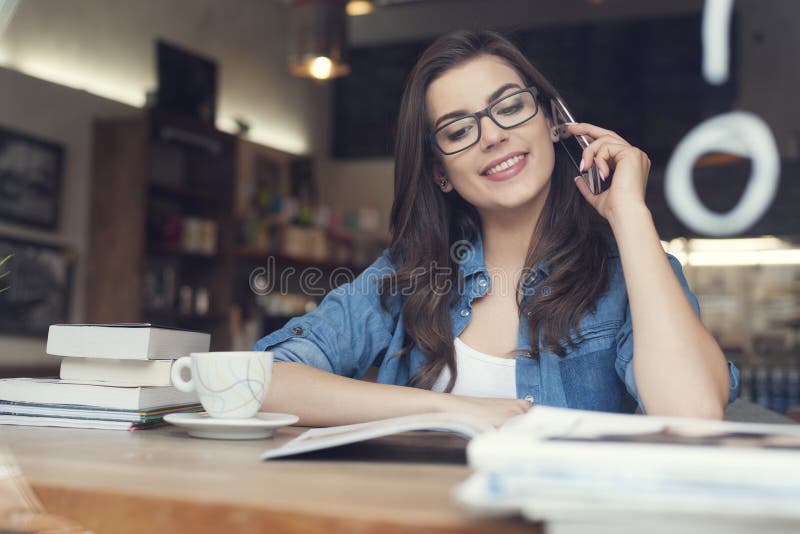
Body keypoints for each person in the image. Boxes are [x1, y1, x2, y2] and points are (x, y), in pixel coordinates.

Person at [255, 29, 739, 427]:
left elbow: (693, 413)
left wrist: (629, 213)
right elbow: (263, 381)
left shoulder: (630, 273)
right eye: (459, 131)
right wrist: (448, 408)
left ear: (553, 121)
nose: (492, 136)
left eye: (509, 107)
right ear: (440, 172)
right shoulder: (408, 277)